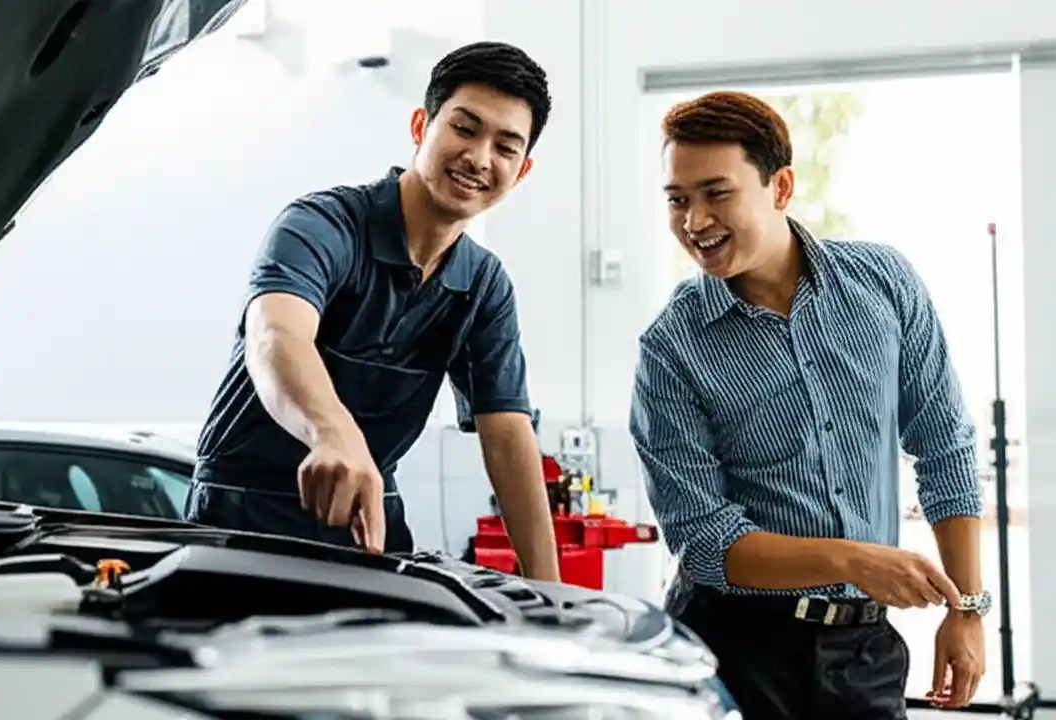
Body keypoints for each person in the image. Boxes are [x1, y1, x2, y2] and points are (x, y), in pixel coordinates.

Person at [629, 90, 989, 718]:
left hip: (865, 648)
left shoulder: (884, 285)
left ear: (781, 186)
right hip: (731, 647)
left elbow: (943, 445)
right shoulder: (670, 349)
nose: (694, 221)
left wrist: (969, 609)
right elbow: (704, 540)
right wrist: (852, 558)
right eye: (677, 199)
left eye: (717, 193)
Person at [184, 41, 561, 582]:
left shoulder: (484, 285)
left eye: (505, 147)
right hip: (244, 515)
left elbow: (507, 433)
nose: (479, 158)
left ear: (521, 170)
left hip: (370, 523)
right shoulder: (320, 225)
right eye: (464, 127)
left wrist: (551, 594)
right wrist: (332, 432)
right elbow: (276, 336)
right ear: (420, 126)